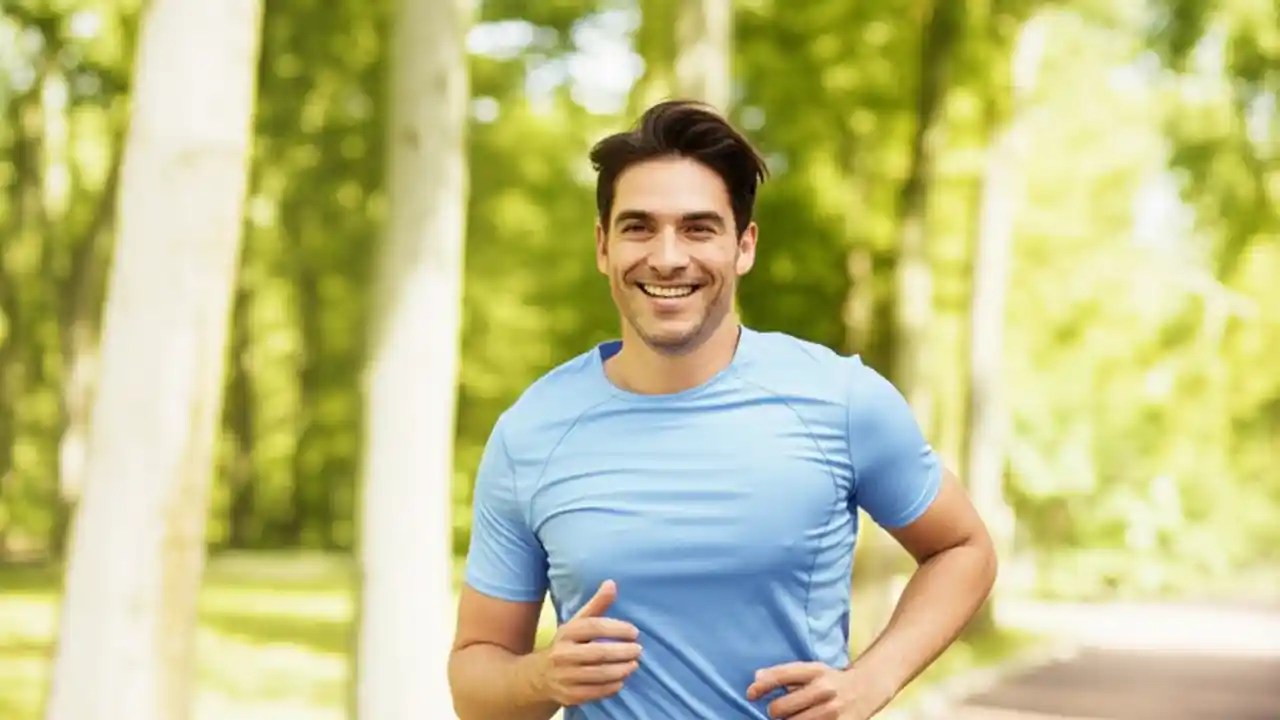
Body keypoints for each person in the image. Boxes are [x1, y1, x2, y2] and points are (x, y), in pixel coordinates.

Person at [447, 99, 997, 720]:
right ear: (603, 246)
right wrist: (542, 678)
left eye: (699, 228)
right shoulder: (532, 432)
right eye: (638, 227)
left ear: (744, 246)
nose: (667, 256)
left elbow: (962, 549)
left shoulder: (840, 400)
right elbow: (475, 678)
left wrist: (874, 679)